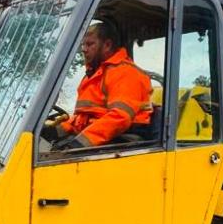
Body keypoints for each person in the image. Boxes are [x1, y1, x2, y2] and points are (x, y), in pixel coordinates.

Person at [44, 21, 153, 149]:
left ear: (107, 45)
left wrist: (79, 144)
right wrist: (54, 132)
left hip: (124, 141)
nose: (84, 49)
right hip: (101, 139)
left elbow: (119, 118)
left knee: (57, 157)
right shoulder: (93, 75)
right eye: (83, 45)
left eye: (90, 44)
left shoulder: (126, 73)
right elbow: (82, 119)